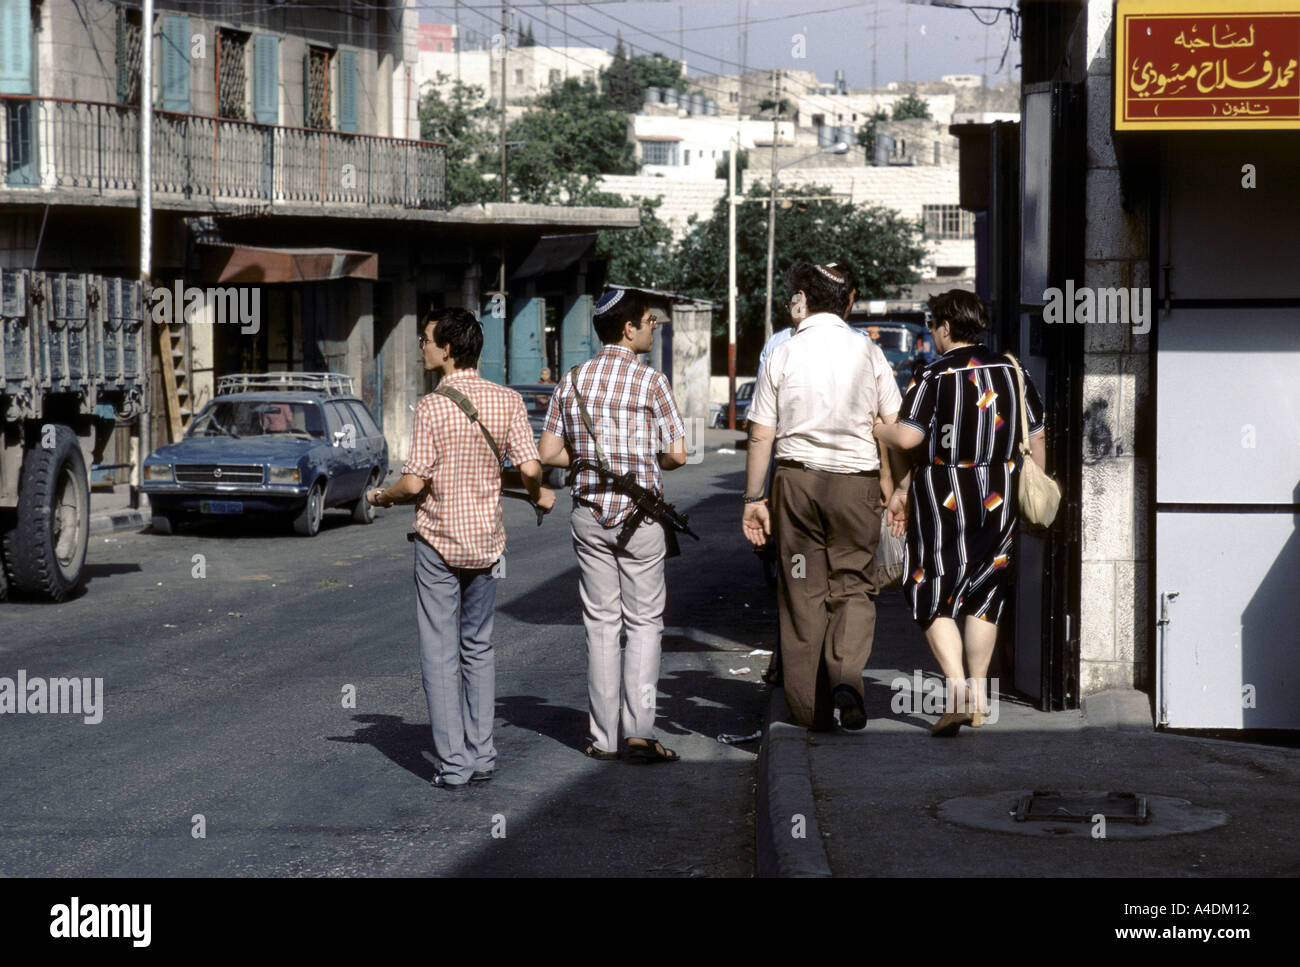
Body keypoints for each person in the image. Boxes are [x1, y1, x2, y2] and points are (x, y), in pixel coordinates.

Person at [366, 307, 556, 790]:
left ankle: (454, 764)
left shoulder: (432, 406)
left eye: (426, 340)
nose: (423, 348)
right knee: (479, 647)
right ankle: (483, 753)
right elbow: (531, 469)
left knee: (439, 652)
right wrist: (539, 497)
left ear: (447, 348)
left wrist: (383, 496)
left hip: (438, 542)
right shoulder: (508, 400)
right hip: (487, 543)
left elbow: (413, 483)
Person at [873, 289, 1046, 737]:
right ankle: (980, 695)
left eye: (932, 325)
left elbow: (909, 439)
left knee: (932, 586)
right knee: (986, 592)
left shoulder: (932, 377)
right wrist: (1027, 486)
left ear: (946, 327)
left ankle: (956, 693)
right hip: (999, 492)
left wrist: (878, 429)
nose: (931, 333)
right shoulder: (1013, 371)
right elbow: (1038, 438)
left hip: (944, 493)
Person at [742, 262, 902, 731]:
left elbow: (759, 435)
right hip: (856, 484)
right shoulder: (869, 352)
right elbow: (893, 425)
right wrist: (895, 485)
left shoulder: (784, 352)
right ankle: (847, 679)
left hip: (796, 484)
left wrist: (754, 498)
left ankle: (808, 708)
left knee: (801, 588)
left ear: (805, 300)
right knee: (853, 584)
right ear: (848, 301)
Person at [538, 289, 688, 763]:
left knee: (601, 625)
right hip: (641, 519)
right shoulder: (651, 382)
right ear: (628, 328)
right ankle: (640, 730)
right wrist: (649, 459)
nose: (653, 327)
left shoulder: (574, 380)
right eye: (649, 321)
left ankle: (602, 739)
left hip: (588, 515)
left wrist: (586, 462)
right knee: (644, 623)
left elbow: (547, 454)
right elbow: (678, 454)